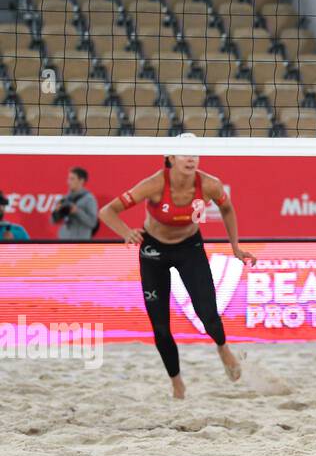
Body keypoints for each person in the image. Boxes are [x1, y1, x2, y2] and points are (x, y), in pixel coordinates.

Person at [98, 138, 255, 399]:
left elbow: (227, 208)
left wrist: (236, 247)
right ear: (171, 158)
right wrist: (126, 232)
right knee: (160, 326)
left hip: (189, 248)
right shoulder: (155, 183)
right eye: (184, 154)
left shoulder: (209, 184)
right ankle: (177, 382)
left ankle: (223, 347)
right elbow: (108, 211)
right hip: (154, 250)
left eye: (195, 154)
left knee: (208, 313)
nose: (191, 159)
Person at [52, 166, 98, 240]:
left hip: (80, 243)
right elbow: (54, 221)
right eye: (68, 178)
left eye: (72, 179)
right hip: (64, 242)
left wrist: (77, 211)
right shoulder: (65, 199)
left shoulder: (89, 199)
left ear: (81, 180)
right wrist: (57, 212)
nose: (68, 182)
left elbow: (93, 223)